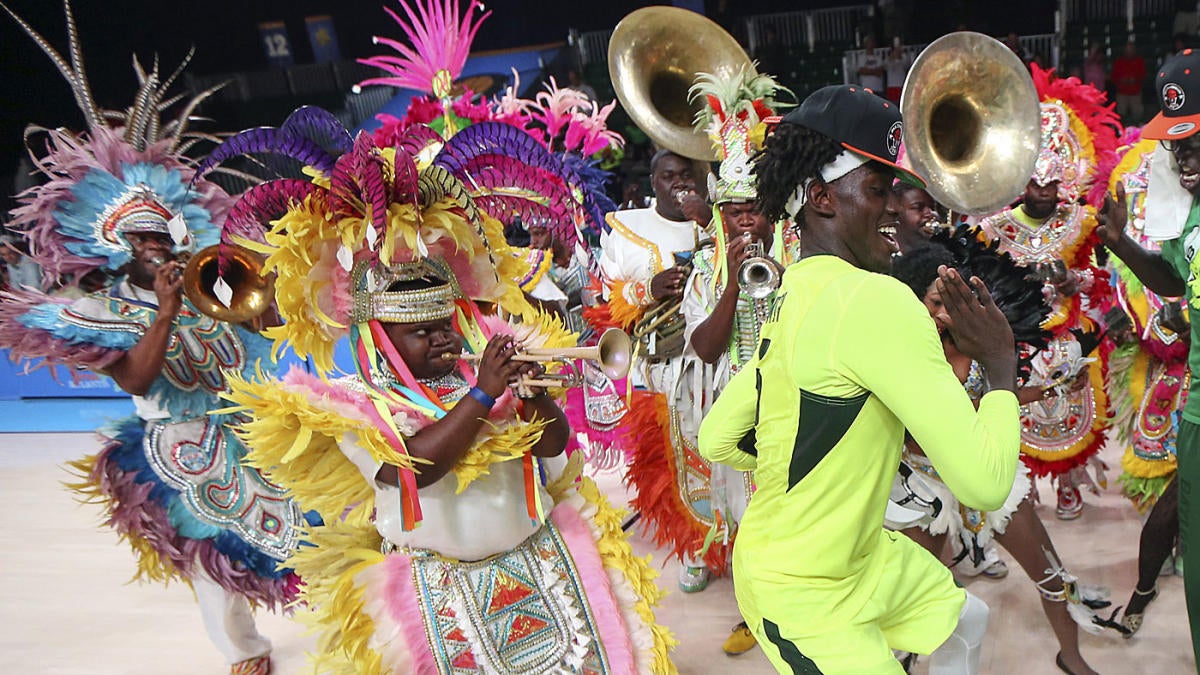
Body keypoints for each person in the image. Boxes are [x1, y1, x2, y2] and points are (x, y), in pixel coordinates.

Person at [216, 132, 674, 671]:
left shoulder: (484, 375)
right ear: (379, 336)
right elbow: (409, 470)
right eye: (419, 332)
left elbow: (555, 445)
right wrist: (484, 392)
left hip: (544, 561)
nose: (441, 339)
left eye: (444, 326)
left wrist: (531, 397)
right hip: (437, 589)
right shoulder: (358, 405)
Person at [0, 6, 310, 673]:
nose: (152, 245)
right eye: (139, 239)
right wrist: (164, 308)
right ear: (118, 247)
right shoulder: (106, 307)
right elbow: (137, 378)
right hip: (179, 442)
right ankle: (244, 651)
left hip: (252, 420)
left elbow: (266, 326)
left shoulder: (209, 277)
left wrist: (262, 288)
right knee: (213, 556)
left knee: (308, 520)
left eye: (159, 234)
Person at [698, 84, 1020, 674]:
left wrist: (811, 478)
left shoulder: (791, 292)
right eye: (877, 189)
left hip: (851, 558)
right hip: (803, 596)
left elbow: (717, 437)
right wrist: (1001, 371)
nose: (896, 207)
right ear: (821, 197)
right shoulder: (877, 302)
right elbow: (985, 485)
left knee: (967, 620)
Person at [891, 241, 1114, 675]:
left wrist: (1053, 389)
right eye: (937, 302)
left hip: (986, 472)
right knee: (908, 593)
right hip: (924, 486)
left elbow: (1000, 395)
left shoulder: (975, 341)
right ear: (915, 299)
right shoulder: (899, 351)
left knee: (1050, 573)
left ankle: (1072, 657)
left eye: (953, 302)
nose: (945, 312)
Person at [977, 63, 1120, 520]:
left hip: (1065, 338)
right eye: (1035, 184)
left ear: (1065, 182)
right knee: (1016, 415)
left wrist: (1068, 281)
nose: (1043, 193)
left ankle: (1067, 483)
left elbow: (1102, 281)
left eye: (1052, 184)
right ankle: (1023, 487)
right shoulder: (994, 227)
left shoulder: (1081, 223)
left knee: (1068, 402)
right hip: (1017, 338)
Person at [1094, 49, 1200, 664]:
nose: (1183, 159)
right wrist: (1121, 245)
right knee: (1174, 515)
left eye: (1195, 143)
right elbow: (1175, 280)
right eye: (1176, 146)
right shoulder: (1189, 219)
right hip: (1197, 409)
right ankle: (1140, 599)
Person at [1112, 39, 1147, 123]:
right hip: (1122, 93)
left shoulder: (1139, 61)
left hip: (1135, 93)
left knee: (1137, 116)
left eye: (1131, 49)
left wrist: (1135, 79)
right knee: (1121, 116)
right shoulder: (1119, 62)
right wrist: (1121, 80)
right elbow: (1113, 77)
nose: (1129, 51)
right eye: (1127, 49)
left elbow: (1143, 75)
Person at [884, 37, 911, 104]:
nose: (898, 49)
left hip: (902, 85)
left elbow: (907, 65)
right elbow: (885, 66)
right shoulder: (888, 59)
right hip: (892, 87)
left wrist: (900, 57)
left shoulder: (904, 57)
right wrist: (892, 57)